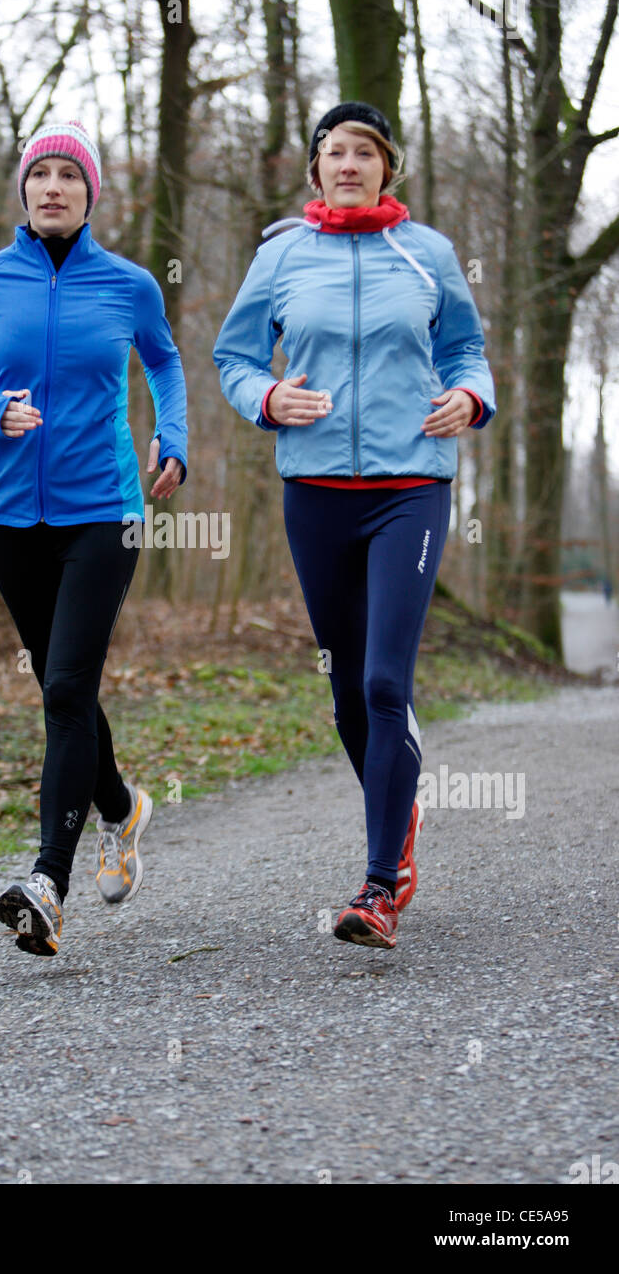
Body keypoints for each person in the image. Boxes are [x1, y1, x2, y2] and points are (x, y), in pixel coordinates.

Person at [213, 101, 496, 949]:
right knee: (344, 690)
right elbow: (231, 357)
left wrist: (470, 396)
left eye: (364, 152)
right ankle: (398, 826)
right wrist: (265, 399)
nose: (348, 164)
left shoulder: (429, 252)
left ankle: (377, 886)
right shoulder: (281, 256)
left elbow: (466, 350)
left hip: (411, 484)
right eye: (333, 152)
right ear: (314, 170)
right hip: (314, 489)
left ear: (387, 169)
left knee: (383, 682)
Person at [0, 119, 188, 957]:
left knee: (67, 688)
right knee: (59, 688)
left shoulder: (128, 285)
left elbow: (166, 362)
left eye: (67, 177)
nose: (51, 187)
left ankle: (47, 880)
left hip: (102, 511)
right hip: (7, 516)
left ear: (89, 194)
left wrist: (172, 436)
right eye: (38, 175)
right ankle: (120, 807)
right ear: (22, 192)